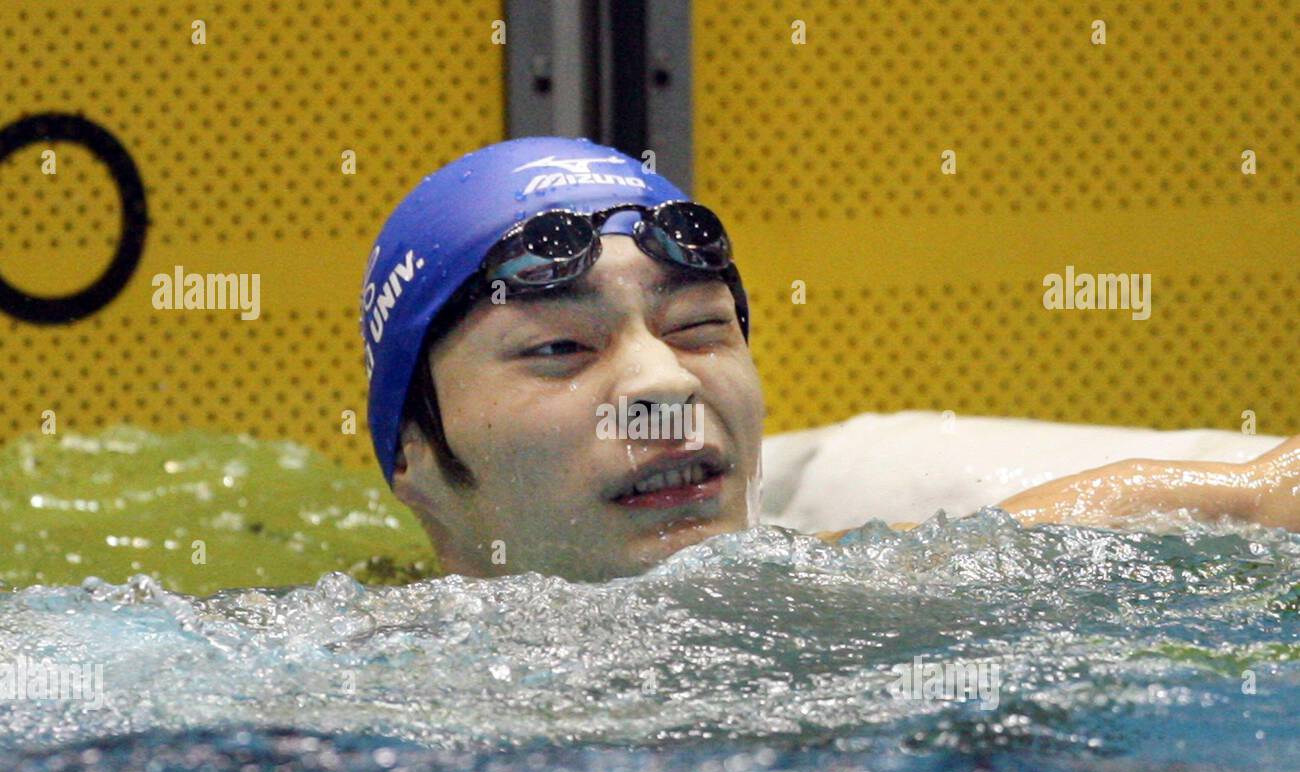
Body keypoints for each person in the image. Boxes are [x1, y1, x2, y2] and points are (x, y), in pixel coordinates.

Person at [360, 137, 1299, 582]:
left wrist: (1251, 497)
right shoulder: (331, 676)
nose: (663, 384)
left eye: (697, 328)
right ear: (415, 453)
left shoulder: (830, 600)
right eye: (561, 347)